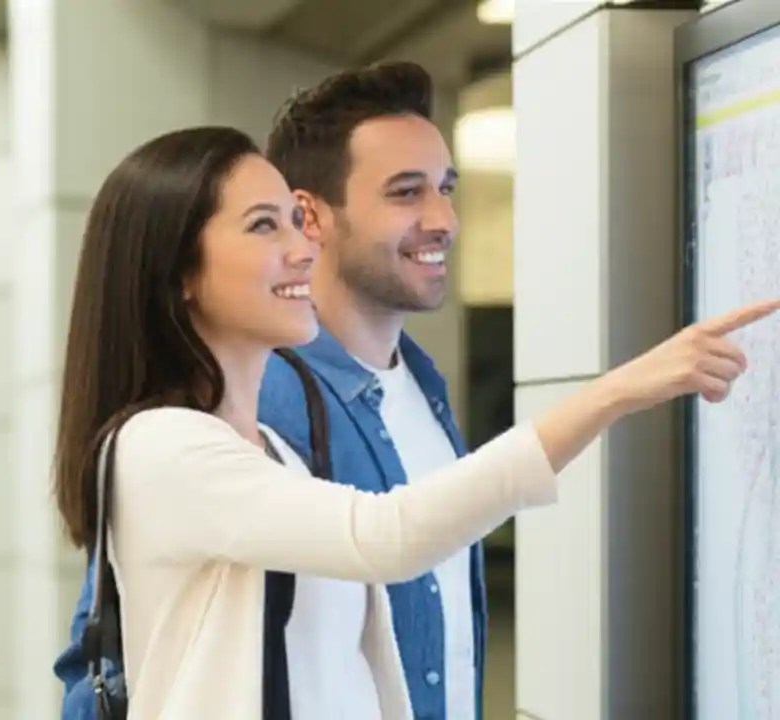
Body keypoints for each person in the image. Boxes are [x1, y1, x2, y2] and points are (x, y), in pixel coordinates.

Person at [50, 123, 773, 718]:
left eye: (295, 222)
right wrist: (612, 394)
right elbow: (388, 537)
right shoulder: (162, 448)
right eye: (264, 226)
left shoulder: (274, 450)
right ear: (179, 272)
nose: (303, 248)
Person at [53, 61, 490, 720]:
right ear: (314, 216)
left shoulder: (425, 390)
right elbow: (108, 656)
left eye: (445, 189)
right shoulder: (260, 402)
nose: (443, 220)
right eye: (405, 192)